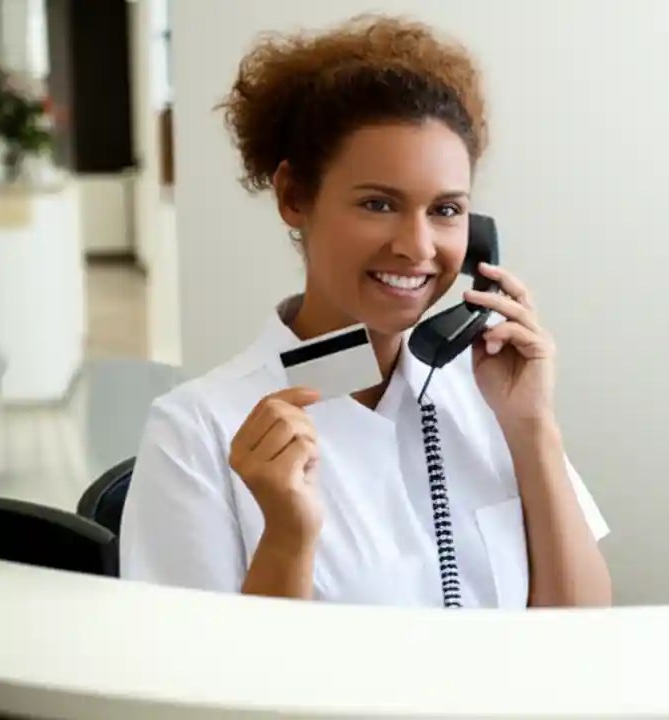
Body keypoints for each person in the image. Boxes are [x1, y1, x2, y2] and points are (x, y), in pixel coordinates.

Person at [119, 15, 612, 608]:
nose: (418, 246)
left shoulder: (491, 398)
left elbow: (585, 635)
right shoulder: (196, 430)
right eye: (379, 204)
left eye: (446, 210)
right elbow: (197, 693)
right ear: (294, 197)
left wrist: (533, 429)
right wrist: (287, 539)